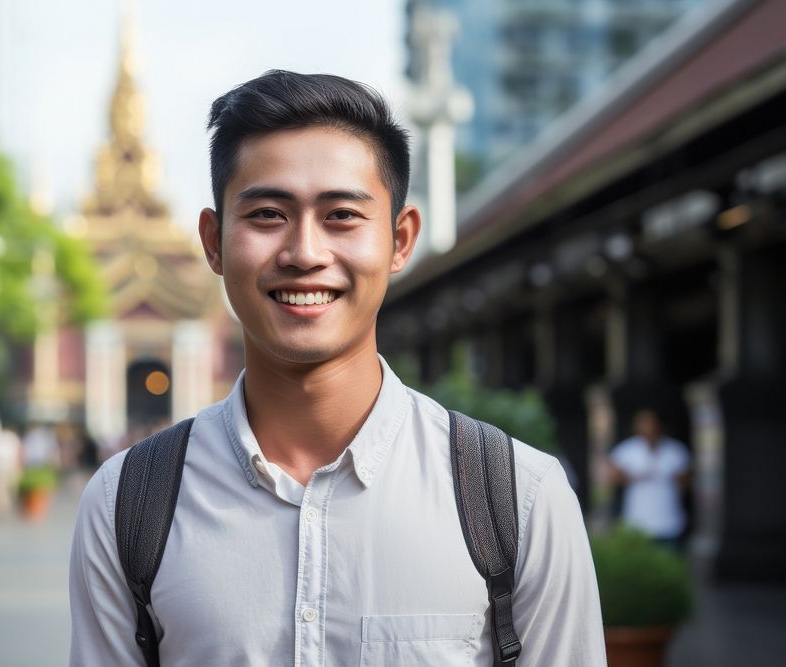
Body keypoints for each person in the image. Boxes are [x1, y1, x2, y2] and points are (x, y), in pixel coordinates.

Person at [70, 71, 606, 665]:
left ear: (400, 240)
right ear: (214, 241)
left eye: (343, 215)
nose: (304, 252)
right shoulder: (127, 504)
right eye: (268, 214)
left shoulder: (517, 498)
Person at [606, 409, 692, 549]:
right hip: (637, 523)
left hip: (669, 522)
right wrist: (632, 477)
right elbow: (610, 477)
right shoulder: (627, 450)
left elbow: (686, 483)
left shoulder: (675, 450)